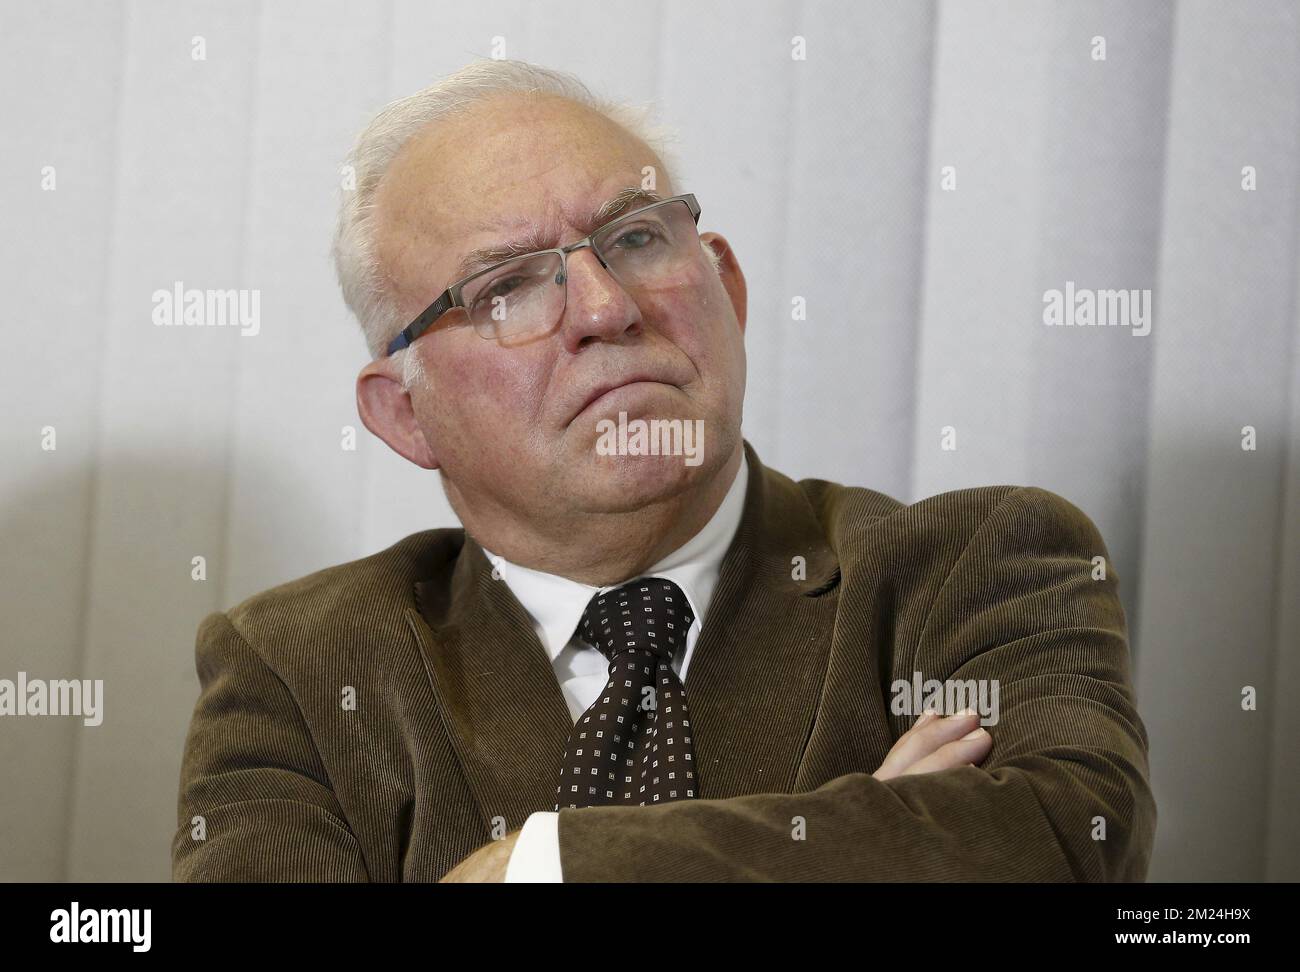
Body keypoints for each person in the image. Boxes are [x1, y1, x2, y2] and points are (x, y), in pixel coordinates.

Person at [171, 59, 1155, 882]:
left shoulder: (971, 567)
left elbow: (1064, 835)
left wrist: (545, 869)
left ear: (724, 285)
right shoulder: (300, 666)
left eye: (635, 238)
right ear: (404, 413)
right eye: (507, 286)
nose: (604, 306)